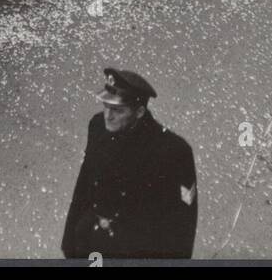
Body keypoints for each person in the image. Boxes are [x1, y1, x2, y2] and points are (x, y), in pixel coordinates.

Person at [62, 68, 198, 260]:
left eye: (117, 110)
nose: (108, 115)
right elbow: (84, 185)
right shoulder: (98, 126)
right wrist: (69, 243)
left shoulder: (173, 151)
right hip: (91, 244)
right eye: (106, 105)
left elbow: (182, 225)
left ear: (140, 112)